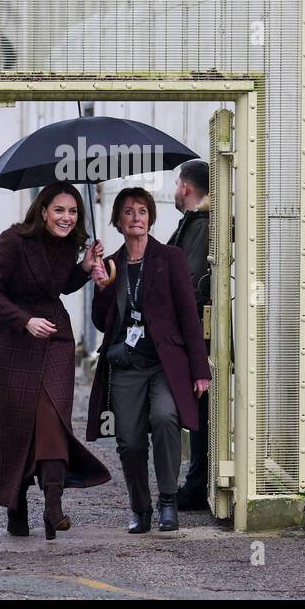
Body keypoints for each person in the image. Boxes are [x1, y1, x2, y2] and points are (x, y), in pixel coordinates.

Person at [0, 182, 111, 540]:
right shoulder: (12, 240)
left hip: (56, 337)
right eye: (59, 210)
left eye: (72, 211)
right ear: (42, 211)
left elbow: (60, 286)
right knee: (20, 425)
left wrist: (84, 268)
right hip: (16, 341)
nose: (66, 218)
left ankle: (53, 506)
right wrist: (25, 320)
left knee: (53, 419)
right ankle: (16, 503)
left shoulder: (70, 244)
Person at [87, 187, 211, 533]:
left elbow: (189, 315)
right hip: (127, 364)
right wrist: (101, 287)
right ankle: (140, 509)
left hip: (164, 365)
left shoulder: (170, 258)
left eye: (142, 211)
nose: (136, 217)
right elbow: (102, 322)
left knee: (166, 420)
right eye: (128, 212)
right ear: (118, 221)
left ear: (150, 219)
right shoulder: (110, 263)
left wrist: (200, 370)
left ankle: (168, 502)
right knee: (129, 440)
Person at [167, 160, 212, 510]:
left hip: (199, 334)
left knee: (201, 411)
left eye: (176, 183)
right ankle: (198, 481)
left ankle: (196, 484)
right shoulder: (198, 223)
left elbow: (191, 281)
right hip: (200, 331)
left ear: (185, 188)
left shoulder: (199, 225)